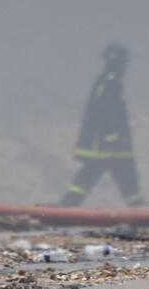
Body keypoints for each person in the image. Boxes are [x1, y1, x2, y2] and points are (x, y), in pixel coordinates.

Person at [59, 44, 143, 207]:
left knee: (88, 178)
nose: (125, 66)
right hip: (111, 146)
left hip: (109, 146)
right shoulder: (109, 84)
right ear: (118, 62)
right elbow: (106, 111)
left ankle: (64, 210)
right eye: (124, 62)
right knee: (128, 183)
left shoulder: (106, 82)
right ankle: (141, 216)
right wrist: (113, 136)